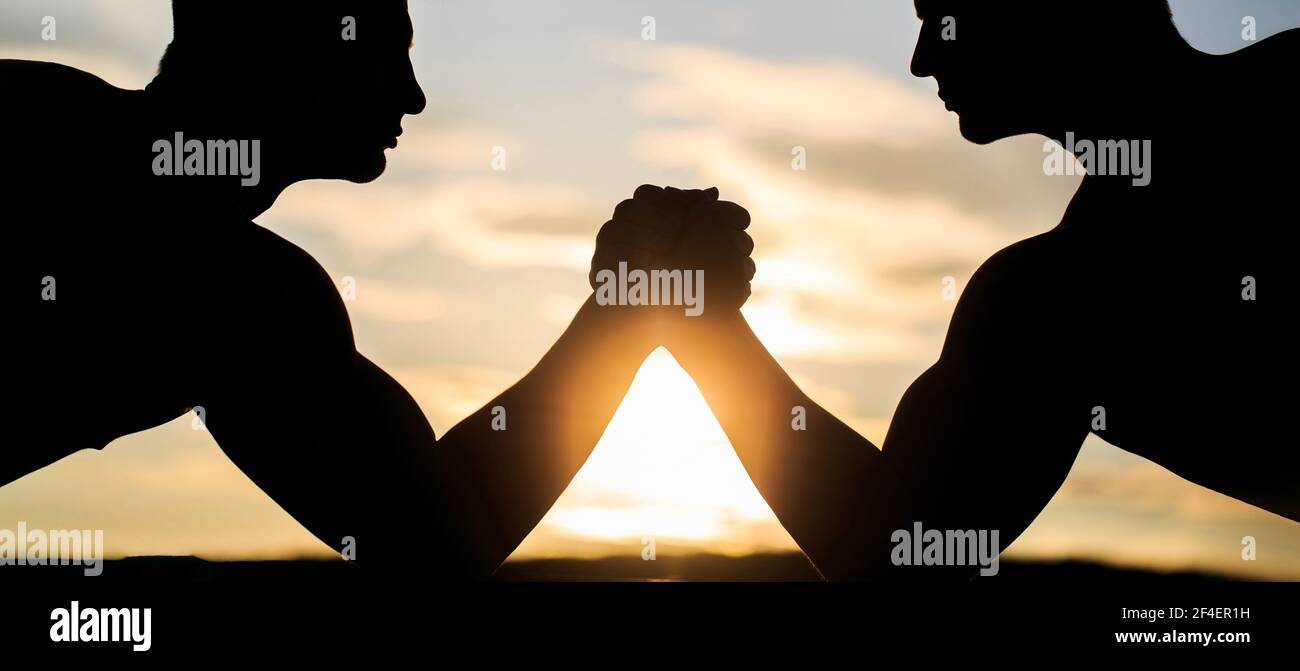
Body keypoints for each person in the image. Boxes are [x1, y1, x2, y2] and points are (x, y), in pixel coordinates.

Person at [1, 0, 749, 578]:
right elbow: (434, 538)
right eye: (391, 48)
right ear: (289, 49)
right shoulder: (239, 285)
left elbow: (424, 528)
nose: (415, 96)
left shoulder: (49, 122)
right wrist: (622, 318)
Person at [600, 1, 1298, 579]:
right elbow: (909, 553)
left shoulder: (1053, 303)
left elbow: (899, 558)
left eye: (944, 13)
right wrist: (705, 327)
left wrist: (702, 326)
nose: (922, 57)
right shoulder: (1050, 302)